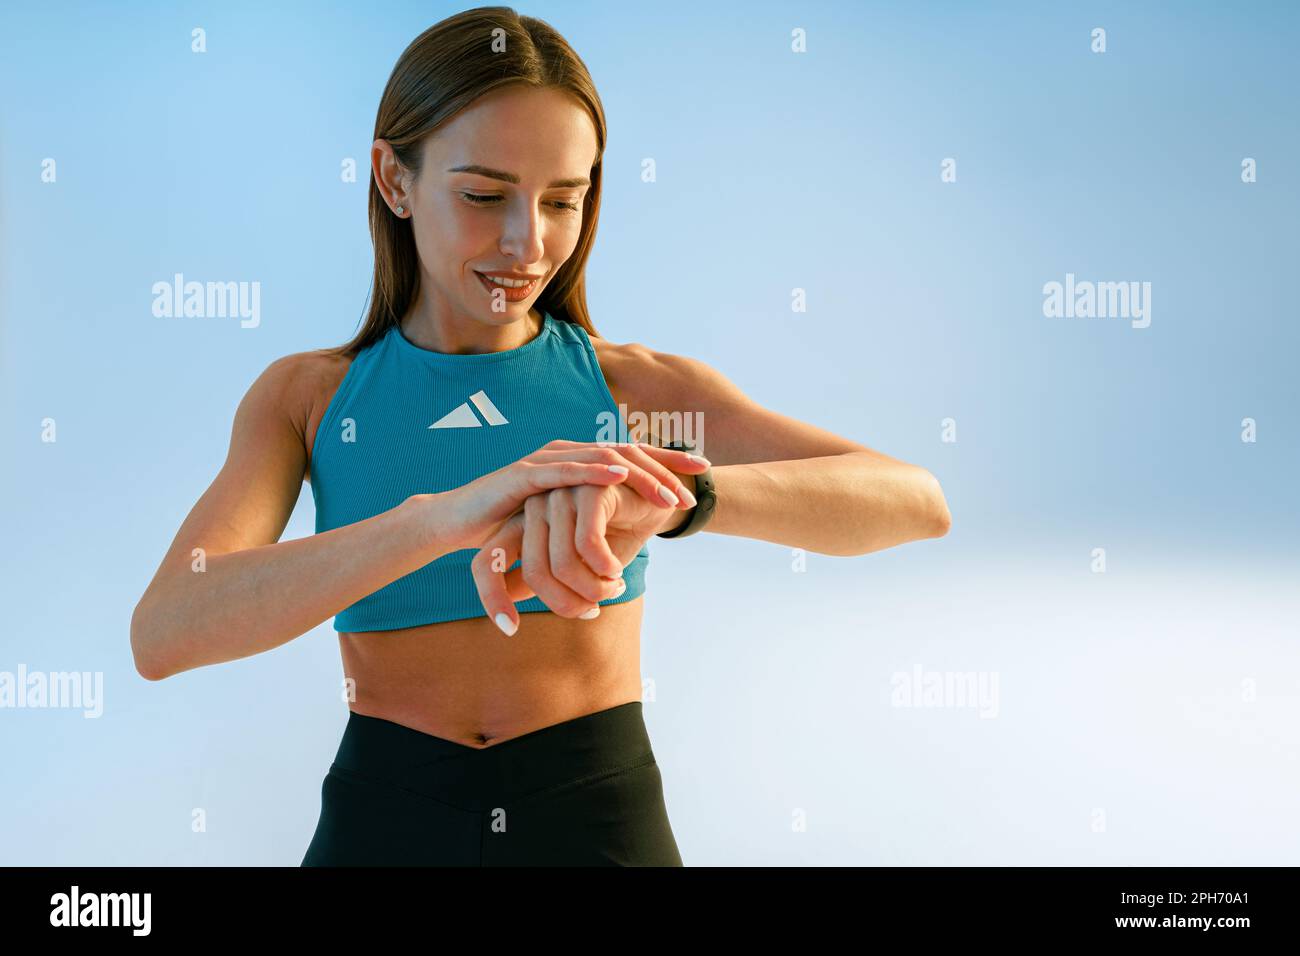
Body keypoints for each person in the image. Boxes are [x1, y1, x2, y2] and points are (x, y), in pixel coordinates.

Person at [129, 7, 952, 867]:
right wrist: (440, 519)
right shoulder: (308, 399)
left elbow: (914, 502)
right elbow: (168, 629)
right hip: (385, 817)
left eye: (564, 199)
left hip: (596, 813)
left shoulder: (632, 391)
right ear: (393, 179)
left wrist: (674, 498)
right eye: (484, 195)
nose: (529, 243)